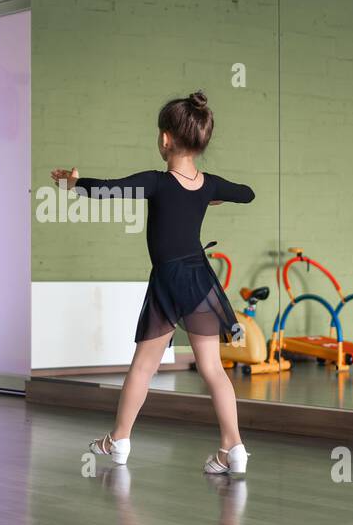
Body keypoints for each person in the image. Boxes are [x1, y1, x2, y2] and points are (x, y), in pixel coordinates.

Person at [51, 91, 256, 474]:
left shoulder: (157, 182)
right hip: (200, 279)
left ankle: (120, 439)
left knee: (144, 367)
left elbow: (106, 189)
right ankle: (234, 446)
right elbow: (247, 193)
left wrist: (74, 183)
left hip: (168, 280)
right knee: (212, 368)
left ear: (165, 139)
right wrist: (213, 197)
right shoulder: (208, 184)